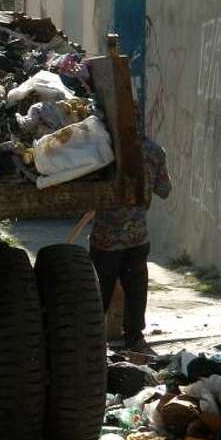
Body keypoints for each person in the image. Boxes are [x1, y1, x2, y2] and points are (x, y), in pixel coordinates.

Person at [89, 136, 172, 356]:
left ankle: (92, 344)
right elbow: (164, 189)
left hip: (105, 238)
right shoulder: (155, 151)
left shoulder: (101, 147)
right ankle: (134, 339)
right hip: (137, 236)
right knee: (135, 290)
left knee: (99, 292)